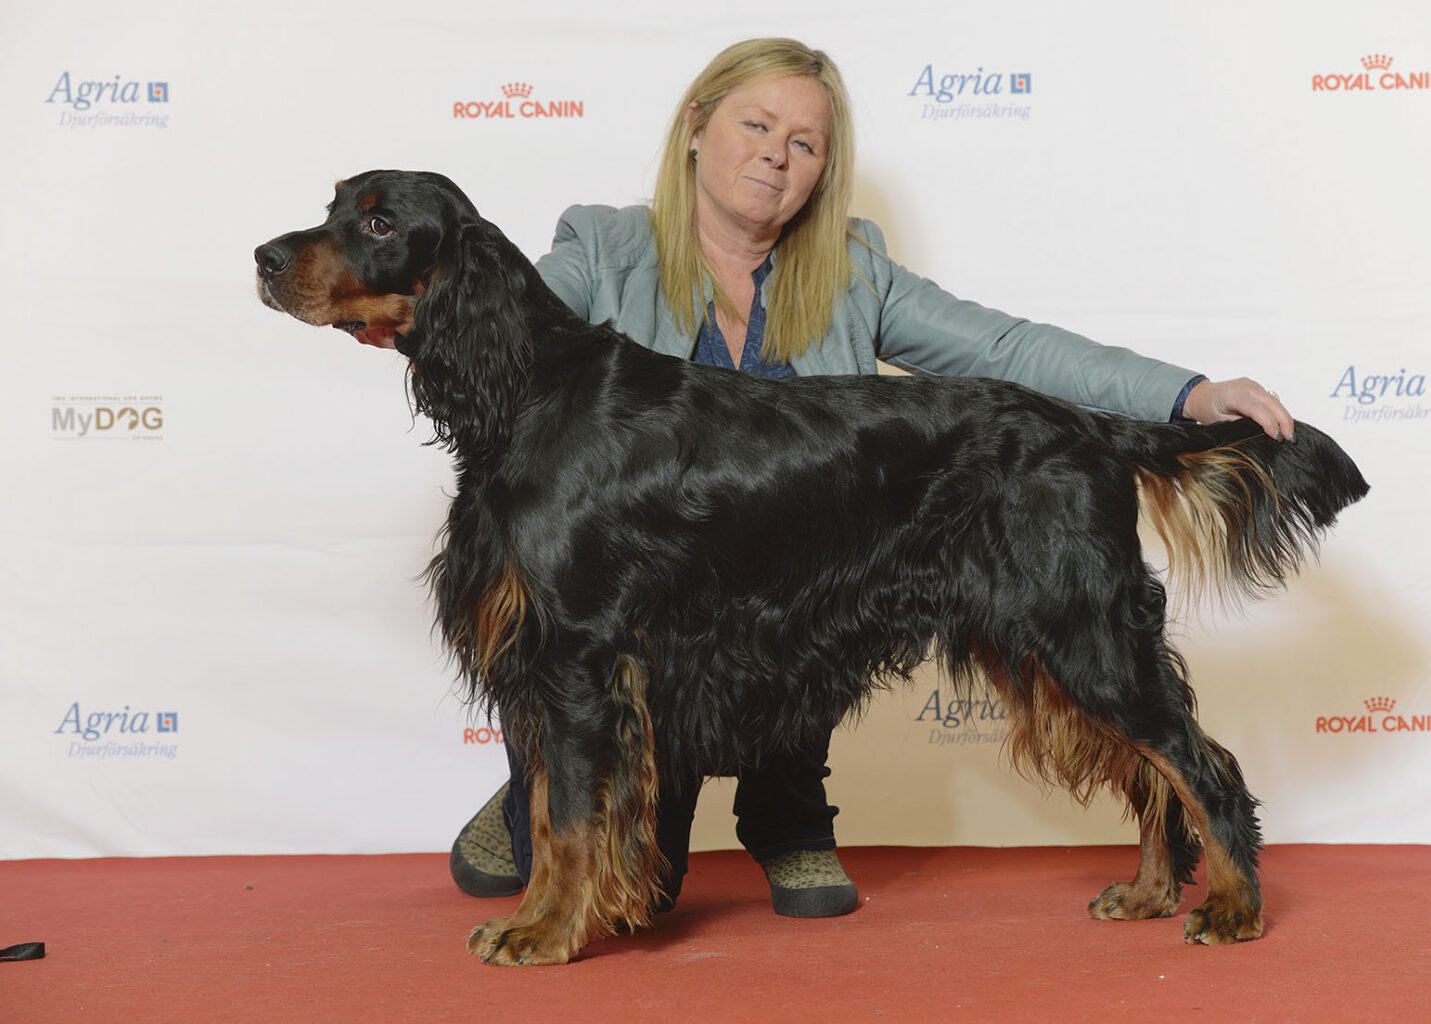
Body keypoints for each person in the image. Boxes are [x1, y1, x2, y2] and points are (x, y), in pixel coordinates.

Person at [439, 37, 1295, 917]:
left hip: (792, 621)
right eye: (757, 124)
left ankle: (789, 814)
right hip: (657, 629)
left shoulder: (852, 271)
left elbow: (1005, 347)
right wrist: (432, 313)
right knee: (633, 868)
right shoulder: (603, 245)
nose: (776, 153)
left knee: (1089, 673)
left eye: (804, 143)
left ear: (820, 171)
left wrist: (1188, 396)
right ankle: (534, 782)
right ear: (696, 127)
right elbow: (523, 336)